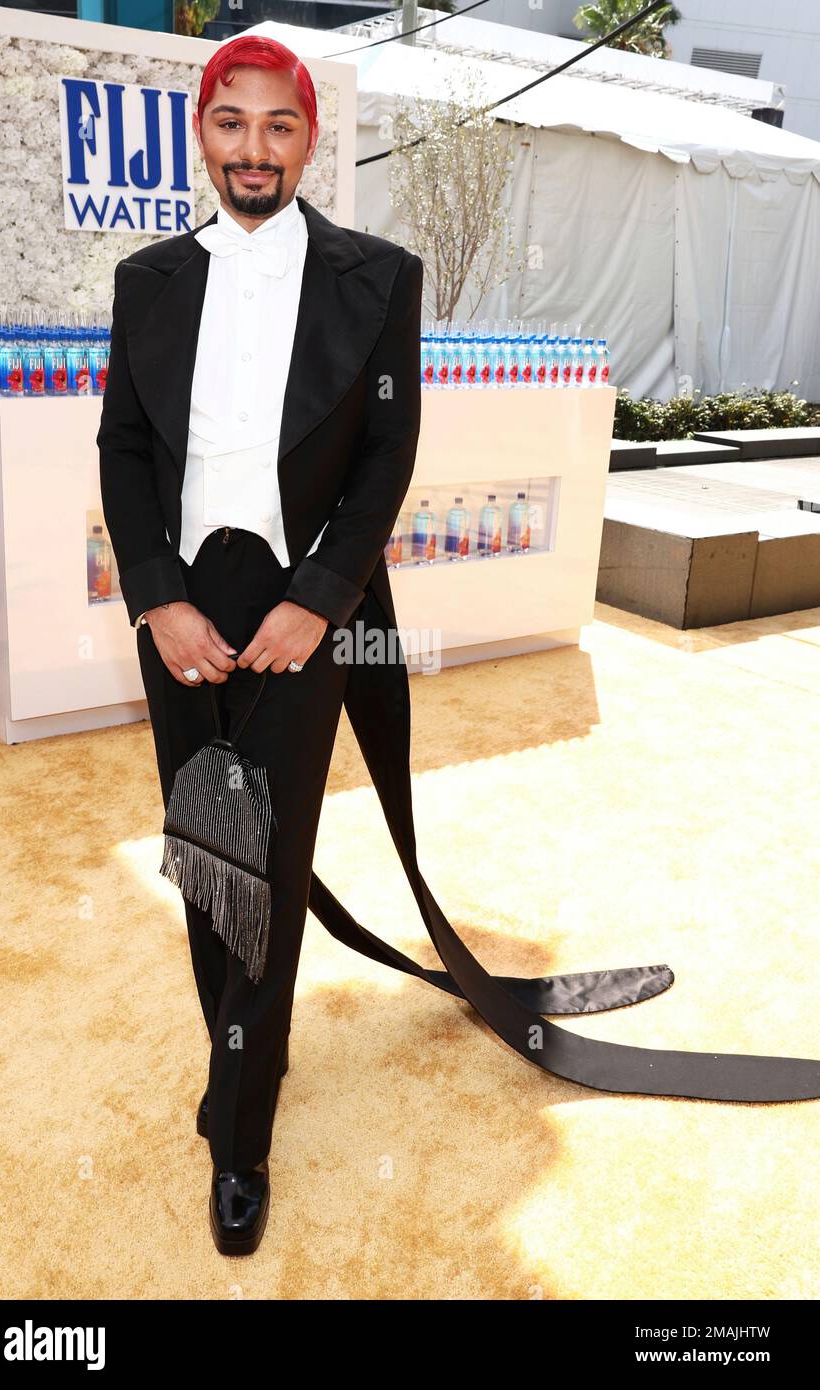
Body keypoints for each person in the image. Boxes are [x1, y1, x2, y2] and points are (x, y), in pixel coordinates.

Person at [97, 34, 820, 1258]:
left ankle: (242, 1129)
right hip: (185, 598)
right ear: (201, 133)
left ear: (309, 140)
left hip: (297, 601)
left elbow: (386, 458)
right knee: (201, 841)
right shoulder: (147, 279)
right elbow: (123, 446)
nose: (254, 149)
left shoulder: (378, 276)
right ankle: (234, 1046)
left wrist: (318, 599)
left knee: (265, 855)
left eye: (279, 127)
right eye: (232, 125)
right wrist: (156, 598)